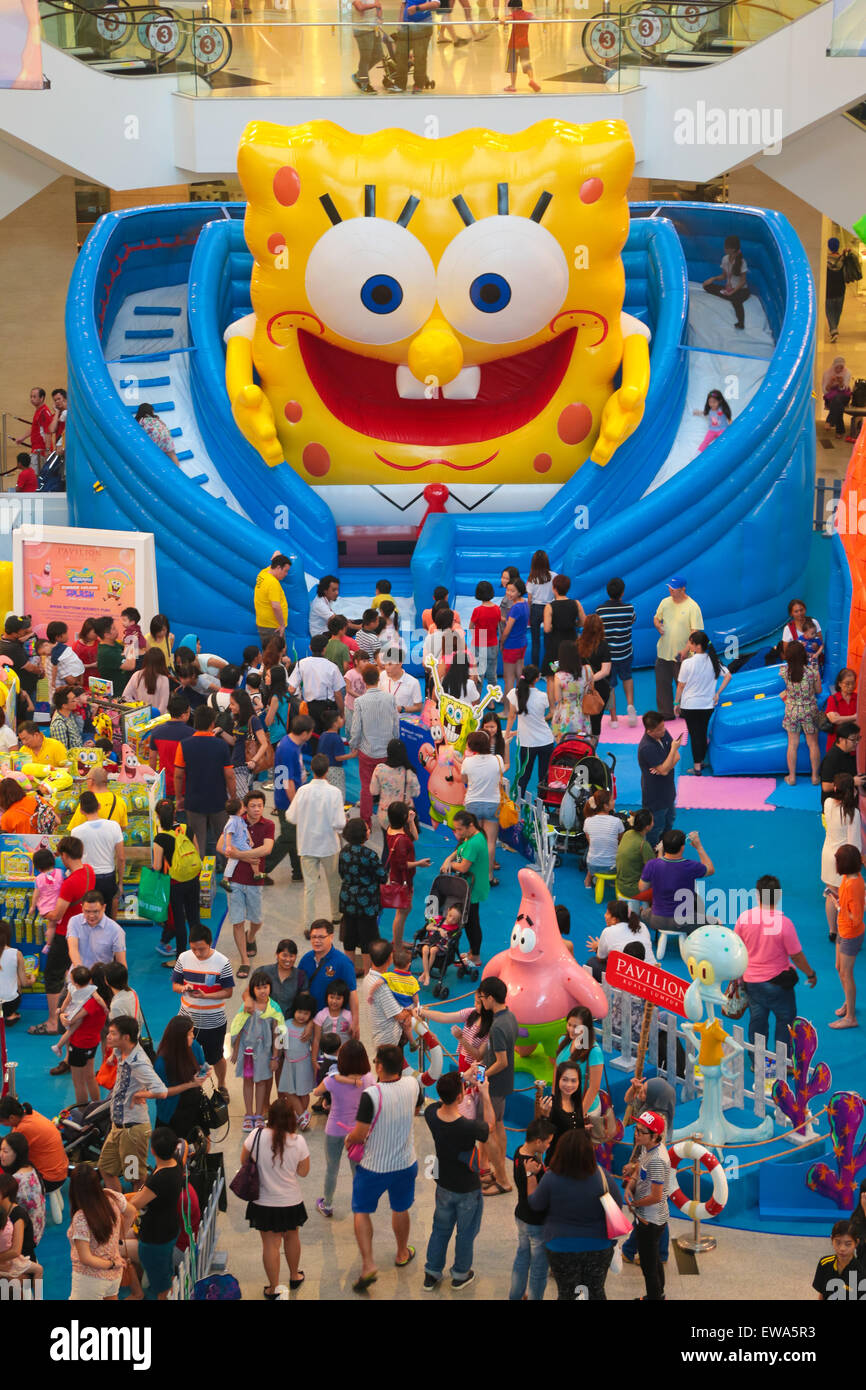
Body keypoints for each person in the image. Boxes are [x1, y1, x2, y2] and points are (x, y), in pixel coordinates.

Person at [345, 1043, 425, 1291]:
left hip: (373, 1166)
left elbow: (359, 1134)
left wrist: (349, 1139)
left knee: (361, 1210)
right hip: (405, 1162)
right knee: (400, 1208)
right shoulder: (413, 1084)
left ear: (379, 1066)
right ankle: (402, 1252)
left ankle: (368, 1265)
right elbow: (416, 1109)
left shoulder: (372, 1094)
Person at [525, 1128, 623, 1300]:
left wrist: (530, 1175)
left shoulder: (551, 1177)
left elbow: (535, 1204)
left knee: (567, 1292)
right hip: (598, 1246)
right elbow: (617, 1206)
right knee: (595, 1291)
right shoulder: (602, 1176)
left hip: (560, 1246)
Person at [422, 1068, 494, 1292]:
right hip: (467, 1188)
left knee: (440, 1229)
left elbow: (440, 1100)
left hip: (443, 1183)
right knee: (466, 1233)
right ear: (461, 1096)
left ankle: (432, 1272)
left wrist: (460, 1078)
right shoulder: (468, 1127)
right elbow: (489, 1125)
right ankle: (461, 1274)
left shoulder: (432, 1114)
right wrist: (486, 1093)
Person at [734, 875, 817, 1051]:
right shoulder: (784, 923)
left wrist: (738, 978)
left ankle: (757, 1061)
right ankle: (783, 1061)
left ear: (757, 895)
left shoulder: (744, 918)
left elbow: (737, 949)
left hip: (752, 983)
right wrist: (810, 973)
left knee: (757, 1022)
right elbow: (796, 956)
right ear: (778, 896)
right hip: (780, 985)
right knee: (785, 1022)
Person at [240, 1098, 310, 1297]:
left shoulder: (256, 1135)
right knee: (292, 1237)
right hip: (291, 1200)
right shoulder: (298, 1142)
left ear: (270, 1117)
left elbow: (244, 1160)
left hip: (263, 1201)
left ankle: (273, 1287)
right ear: (291, 1119)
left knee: (270, 1245)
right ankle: (295, 1275)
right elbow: (304, 1172)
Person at [31, 836, 96, 1042]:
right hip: (83, 931)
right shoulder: (89, 871)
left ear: (66, 855)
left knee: (52, 975)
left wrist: (43, 912)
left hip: (64, 934)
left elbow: (57, 914)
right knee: (74, 973)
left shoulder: (69, 883)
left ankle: (52, 1022)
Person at [98, 1016, 168, 1193]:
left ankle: (135, 1215)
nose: (108, 1036)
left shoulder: (138, 1063)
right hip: (118, 1128)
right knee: (106, 1168)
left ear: (126, 1037)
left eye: (113, 1034)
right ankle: (120, 1207)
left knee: (135, 1177)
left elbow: (161, 1090)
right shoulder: (122, 1050)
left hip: (132, 1131)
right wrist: (112, 1058)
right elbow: (115, 1051)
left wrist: (141, 1093)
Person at [313, 1039, 375, 1217]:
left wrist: (328, 1097)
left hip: (334, 1129)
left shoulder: (332, 1080)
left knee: (332, 1168)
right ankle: (360, 1205)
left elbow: (316, 1091)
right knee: (357, 1170)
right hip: (357, 1131)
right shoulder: (368, 1079)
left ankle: (327, 1203)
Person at [287, 752, 346, 938]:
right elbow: (339, 823)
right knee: (334, 883)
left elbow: (291, 816)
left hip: (307, 845)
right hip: (329, 845)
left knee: (310, 887)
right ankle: (336, 915)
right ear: (327, 771)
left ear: (311, 769)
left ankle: (308, 925)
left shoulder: (302, 791)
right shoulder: (334, 793)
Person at [218, 788, 275, 977]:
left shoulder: (268, 825)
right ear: (245, 808)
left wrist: (238, 855)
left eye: (260, 805)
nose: (257, 809)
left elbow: (266, 849)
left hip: (254, 882)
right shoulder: (235, 821)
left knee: (257, 920)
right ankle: (244, 960)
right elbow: (220, 846)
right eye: (253, 806)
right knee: (237, 921)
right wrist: (248, 858)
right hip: (234, 880)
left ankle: (251, 937)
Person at [171, 928, 235, 1097]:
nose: (197, 953)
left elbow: (228, 992)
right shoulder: (183, 958)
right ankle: (191, 1089)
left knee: (216, 1057)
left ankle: (222, 1085)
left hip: (213, 1022)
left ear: (210, 943)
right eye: (194, 949)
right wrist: (184, 988)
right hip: (187, 1021)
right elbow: (175, 985)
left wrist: (207, 996)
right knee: (187, 1057)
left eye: (201, 949)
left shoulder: (222, 962)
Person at [124, 1127, 184, 1300]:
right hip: (169, 1228)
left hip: (155, 1238)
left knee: (162, 1287)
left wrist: (122, 1200)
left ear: (153, 1150)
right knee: (165, 1273)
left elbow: (135, 1205)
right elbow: (145, 1191)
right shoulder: (175, 1164)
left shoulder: (160, 1179)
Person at [173, 704, 235, 859]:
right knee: (224, 838)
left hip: (194, 800)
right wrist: (233, 798)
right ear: (212, 724)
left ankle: (199, 876)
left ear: (195, 723)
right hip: (219, 800)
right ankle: (226, 873)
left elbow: (178, 775)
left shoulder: (184, 745)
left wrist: (179, 797)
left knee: (197, 841)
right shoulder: (221, 745)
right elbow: (229, 775)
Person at [624, 1110, 673, 1301]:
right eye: (636, 1129)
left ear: (654, 1136)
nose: (636, 1134)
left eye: (641, 1132)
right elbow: (640, 1167)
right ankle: (659, 1293)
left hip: (651, 1220)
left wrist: (635, 1204)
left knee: (648, 1264)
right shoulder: (647, 1148)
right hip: (646, 1215)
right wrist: (630, 1184)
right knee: (652, 1258)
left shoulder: (658, 1160)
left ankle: (654, 1296)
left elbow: (656, 1196)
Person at [67, 1164, 134, 1300]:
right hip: (114, 1274)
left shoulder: (81, 1217)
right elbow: (132, 1212)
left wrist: (111, 1265)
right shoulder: (112, 1197)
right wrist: (119, 1236)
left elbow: (86, 1258)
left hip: (89, 1278)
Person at [230, 969, 286, 1130]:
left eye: (265, 987)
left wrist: (276, 1057)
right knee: (248, 1081)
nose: (262, 990)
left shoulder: (274, 1008)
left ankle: (259, 1114)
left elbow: (279, 1033)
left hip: (264, 1053)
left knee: (261, 1082)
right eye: (259, 987)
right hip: (247, 1051)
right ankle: (248, 1115)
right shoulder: (246, 1006)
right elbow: (238, 1027)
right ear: (252, 989)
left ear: (270, 988)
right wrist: (234, 1050)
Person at [476, 975, 517, 1196]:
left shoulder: (498, 1026)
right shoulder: (510, 1017)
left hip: (494, 1086)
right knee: (499, 1126)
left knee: (488, 1132)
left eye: (482, 998)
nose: (481, 1002)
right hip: (504, 1084)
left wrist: (481, 1075)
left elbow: (502, 1062)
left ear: (490, 998)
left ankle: (502, 1179)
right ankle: (499, 1170)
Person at [508, 1116, 555, 1300]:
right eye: (548, 1142)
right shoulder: (532, 1166)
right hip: (536, 1222)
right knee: (538, 1269)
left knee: (521, 1259)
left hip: (521, 1216)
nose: (549, 1146)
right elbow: (534, 1198)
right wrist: (536, 1174)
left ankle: (515, 1295)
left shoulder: (520, 1152)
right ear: (538, 1141)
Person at [152, 799, 203, 962]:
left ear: (158, 816)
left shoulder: (160, 838)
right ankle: (200, 952)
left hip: (175, 883)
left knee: (179, 920)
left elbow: (157, 865)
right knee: (194, 917)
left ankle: (181, 958)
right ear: (175, 812)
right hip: (193, 879)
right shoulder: (187, 829)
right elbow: (197, 852)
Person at [640, 828, 715, 938]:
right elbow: (710, 869)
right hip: (683, 921)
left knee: (642, 912)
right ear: (682, 847)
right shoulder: (690, 866)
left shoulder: (652, 865)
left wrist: (660, 852)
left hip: (657, 920)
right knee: (717, 922)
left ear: (664, 846)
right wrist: (699, 847)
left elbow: (642, 888)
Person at [674, 629, 731, 775]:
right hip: (707, 705)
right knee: (702, 732)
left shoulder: (687, 663)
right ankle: (701, 761)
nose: (689, 645)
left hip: (690, 705)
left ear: (697, 646)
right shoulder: (713, 661)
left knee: (695, 735)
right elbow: (728, 676)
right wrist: (717, 693)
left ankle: (697, 766)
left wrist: (676, 703)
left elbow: (681, 685)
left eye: (690, 643)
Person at [350, 664, 400, 825]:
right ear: (379, 679)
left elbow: (356, 728)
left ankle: (366, 821)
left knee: (366, 787)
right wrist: (395, 744)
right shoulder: (390, 698)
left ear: (363, 681)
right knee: (388, 786)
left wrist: (354, 744)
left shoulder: (360, 701)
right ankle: (390, 820)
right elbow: (395, 725)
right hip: (386, 752)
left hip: (367, 751)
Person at [266, 714, 314, 883]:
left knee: (294, 835)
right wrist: (296, 805)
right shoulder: (288, 749)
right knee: (288, 836)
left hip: (289, 798)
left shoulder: (291, 743)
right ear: (304, 733)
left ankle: (299, 872)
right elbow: (288, 782)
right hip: (288, 801)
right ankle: (261, 870)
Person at [339, 817, 387, 977]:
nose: (369, 830)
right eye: (366, 829)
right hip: (366, 902)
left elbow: (341, 873)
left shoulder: (344, 851)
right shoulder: (370, 854)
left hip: (347, 899)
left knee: (349, 936)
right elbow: (382, 876)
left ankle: (349, 970)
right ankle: (368, 972)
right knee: (368, 939)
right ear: (361, 834)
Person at [440, 810, 489, 964]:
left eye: (459, 829)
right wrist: (449, 858)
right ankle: (471, 952)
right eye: (455, 829)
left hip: (472, 889)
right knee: (469, 920)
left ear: (470, 825)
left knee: (472, 922)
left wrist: (450, 865)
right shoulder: (472, 836)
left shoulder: (475, 843)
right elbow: (459, 850)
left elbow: (463, 867)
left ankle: (475, 956)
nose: (457, 832)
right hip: (469, 886)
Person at [653, 576, 704, 720]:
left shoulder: (693, 607)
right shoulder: (665, 602)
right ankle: (666, 713)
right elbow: (656, 618)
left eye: (674, 589)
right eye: (669, 587)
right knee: (662, 685)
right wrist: (658, 625)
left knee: (685, 685)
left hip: (683, 656)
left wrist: (685, 650)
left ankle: (686, 711)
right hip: (664, 652)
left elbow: (695, 633)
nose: (670, 590)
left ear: (683, 589)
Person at [154, 1014, 211, 1141]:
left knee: (204, 1143)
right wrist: (191, 1084)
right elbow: (162, 1093)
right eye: (190, 1033)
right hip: (173, 1111)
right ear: (179, 1037)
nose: (193, 1036)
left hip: (194, 1105)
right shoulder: (162, 1062)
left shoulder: (194, 1046)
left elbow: (203, 1065)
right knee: (176, 1149)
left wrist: (205, 1072)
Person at [298, 920, 360, 1036]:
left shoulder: (343, 962)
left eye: (321, 937)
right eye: (313, 937)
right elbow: (300, 989)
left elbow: (352, 992)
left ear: (331, 937)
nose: (316, 941)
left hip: (335, 1023)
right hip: (310, 1020)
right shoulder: (306, 959)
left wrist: (355, 1022)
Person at [382, 801, 430, 949]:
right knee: (402, 911)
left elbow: (415, 837)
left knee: (404, 909)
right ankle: (397, 945)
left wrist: (410, 821)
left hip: (402, 877)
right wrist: (419, 863)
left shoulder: (392, 829)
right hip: (402, 878)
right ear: (402, 817)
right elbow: (401, 864)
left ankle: (398, 940)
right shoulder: (401, 840)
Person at [461, 729, 504, 888]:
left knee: (471, 840)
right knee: (490, 841)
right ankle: (489, 876)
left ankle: (469, 872)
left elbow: (463, 780)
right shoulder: (497, 759)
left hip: (472, 803)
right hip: (493, 803)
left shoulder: (467, 762)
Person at [822, 774, 862, 942]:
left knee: (832, 895)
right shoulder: (853, 813)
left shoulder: (828, 803)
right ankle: (845, 931)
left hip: (828, 855)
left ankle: (832, 930)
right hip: (845, 859)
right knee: (847, 898)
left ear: (836, 789)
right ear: (852, 792)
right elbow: (854, 844)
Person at [505, 665, 554, 797]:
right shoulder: (543, 696)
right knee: (544, 777)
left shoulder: (514, 694)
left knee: (523, 775)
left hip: (527, 743)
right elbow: (539, 717)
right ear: (537, 679)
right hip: (546, 741)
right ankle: (543, 806)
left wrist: (508, 732)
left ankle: (519, 803)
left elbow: (511, 716)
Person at [73, 790, 125, 914]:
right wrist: (121, 882)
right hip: (108, 876)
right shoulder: (114, 826)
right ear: (99, 806)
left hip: (87, 878)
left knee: (89, 915)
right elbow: (121, 857)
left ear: (81, 810)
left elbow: (76, 859)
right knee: (106, 915)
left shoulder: (76, 831)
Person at [830, 843, 864, 1031]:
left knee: (846, 973)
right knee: (839, 968)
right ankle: (848, 1002)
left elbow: (857, 917)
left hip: (850, 934)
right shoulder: (851, 878)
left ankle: (851, 1017)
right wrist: (837, 899)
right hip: (843, 931)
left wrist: (840, 909)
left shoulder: (852, 884)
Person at [779, 639, 821, 786]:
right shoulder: (811, 672)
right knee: (813, 744)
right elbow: (818, 691)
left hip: (792, 710)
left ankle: (792, 777)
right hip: (809, 710)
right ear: (804, 655)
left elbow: (786, 683)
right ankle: (815, 777)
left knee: (792, 744)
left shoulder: (785, 672)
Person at [637, 711, 682, 846]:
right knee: (655, 828)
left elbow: (677, 759)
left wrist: (665, 766)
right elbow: (664, 770)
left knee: (670, 821)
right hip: (655, 796)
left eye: (663, 726)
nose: (664, 730)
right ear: (650, 731)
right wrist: (673, 750)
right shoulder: (647, 747)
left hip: (668, 791)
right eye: (660, 729)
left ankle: (666, 848)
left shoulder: (663, 733)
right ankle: (653, 854)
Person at [586, 900, 656, 981]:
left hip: (629, 977)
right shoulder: (642, 926)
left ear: (615, 919)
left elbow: (601, 958)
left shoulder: (608, 932)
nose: (605, 916)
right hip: (652, 974)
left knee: (592, 962)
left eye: (607, 913)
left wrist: (597, 948)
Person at [0, 1132, 46, 1250]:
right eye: (0, 1150)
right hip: (37, 1228)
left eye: (5, 1152)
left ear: (17, 1154)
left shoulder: (16, 1179)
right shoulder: (30, 1167)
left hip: (26, 1236)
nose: (1, 1155)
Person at [370, 738, 420, 835]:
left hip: (385, 815)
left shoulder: (380, 769)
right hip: (404, 815)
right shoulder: (408, 771)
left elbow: (374, 791)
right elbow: (416, 793)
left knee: (387, 843)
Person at [703, 232, 750, 330]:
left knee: (737, 301)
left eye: (726, 247)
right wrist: (713, 279)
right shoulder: (725, 259)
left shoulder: (741, 262)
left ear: (732, 249)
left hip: (741, 290)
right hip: (728, 288)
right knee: (707, 286)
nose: (724, 249)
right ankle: (729, 296)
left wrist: (733, 291)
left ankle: (741, 323)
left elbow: (743, 281)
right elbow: (723, 276)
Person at [583, 788, 625, 891]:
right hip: (612, 867)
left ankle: (588, 879)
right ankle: (616, 882)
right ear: (606, 806)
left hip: (592, 865)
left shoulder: (587, 821)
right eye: (611, 800)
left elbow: (590, 842)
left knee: (594, 848)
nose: (614, 801)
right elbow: (621, 842)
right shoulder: (617, 821)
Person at [393, 0, 439, 91]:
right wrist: (400, 23)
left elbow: (435, 4)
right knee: (400, 54)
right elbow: (403, 5)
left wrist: (417, 8)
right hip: (406, 26)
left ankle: (418, 84)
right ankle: (399, 84)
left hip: (423, 25)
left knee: (419, 57)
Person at [615, 808, 654, 911]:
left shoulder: (628, 834)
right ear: (647, 827)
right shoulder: (643, 845)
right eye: (652, 821)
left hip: (620, 882)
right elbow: (655, 870)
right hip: (632, 889)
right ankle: (649, 912)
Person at [813, 1220, 865, 1299]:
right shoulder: (824, 1264)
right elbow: (822, 1294)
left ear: (856, 1243)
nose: (842, 1249)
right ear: (831, 1239)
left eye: (848, 1244)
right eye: (838, 1242)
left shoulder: (861, 1271)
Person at [261, 938, 308, 1022]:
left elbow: (305, 1004)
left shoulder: (301, 976)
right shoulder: (264, 972)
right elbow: (248, 993)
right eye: (284, 955)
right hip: (263, 1021)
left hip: (287, 1024)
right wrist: (249, 1000)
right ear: (277, 954)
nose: (288, 959)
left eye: (291, 956)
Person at [820, 722, 865, 806]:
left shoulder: (847, 753)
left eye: (858, 739)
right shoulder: (832, 757)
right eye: (853, 739)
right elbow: (826, 786)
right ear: (841, 739)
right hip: (835, 809)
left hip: (845, 805)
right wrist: (851, 782)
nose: (856, 742)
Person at [254, 553, 292, 649]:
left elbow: (276, 554)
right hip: (273, 627)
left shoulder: (263, 573)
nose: (286, 574)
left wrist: (276, 557)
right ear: (278, 567)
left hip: (264, 624)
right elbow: (275, 606)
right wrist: (282, 625)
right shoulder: (273, 583)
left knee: (269, 654)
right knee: (277, 656)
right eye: (285, 571)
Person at [500, 577, 530, 695]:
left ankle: (507, 708)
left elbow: (507, 631)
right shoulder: (525, 603)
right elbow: (515, 622)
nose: (509, 593)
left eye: (512, 591)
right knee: (519, 674)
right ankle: (519, 701)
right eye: (507, 590)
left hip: (511, 645)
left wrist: (502, 642)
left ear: (519, 592)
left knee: (509, 678)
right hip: (522, 643)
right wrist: (502, 618)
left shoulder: (515, 608)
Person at [470, 580, 501, 691]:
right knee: (492, 673)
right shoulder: (497, 609)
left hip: (480, 642)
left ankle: (477, 699)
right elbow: (497, 625)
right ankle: (491, 701)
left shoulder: (477, 611)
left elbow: (471, 626)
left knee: (479, 673)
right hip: (493, 642)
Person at [93, 616, 136, 695]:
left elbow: (126, 652)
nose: (117, 630)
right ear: (106, 635)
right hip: (117, 696)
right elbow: (130, 665)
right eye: (114, 629)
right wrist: (131, 643)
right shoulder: (106, 652)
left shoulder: (113, 643)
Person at [15, 386, 54, 471]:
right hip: (36, 450)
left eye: (34, 397)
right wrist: (22, 438)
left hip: (41, 452)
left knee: (38, 477)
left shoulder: (44, 412)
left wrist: (47, 450)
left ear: (42, 398)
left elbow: (48, 433)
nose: (32, 399)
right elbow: (34, 428)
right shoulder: (39, 411)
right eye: (31, 396)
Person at [122, 647, 170, 714]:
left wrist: (138, 707)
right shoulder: (163, 679)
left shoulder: (137, 675)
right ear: (162, 662)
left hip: (140, 717)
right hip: (158, 720)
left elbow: (125, 697)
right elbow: (163, 706)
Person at [0, 920, 28, 1024]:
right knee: (17, 980)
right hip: (10, 1003)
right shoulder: (16, 953)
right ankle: (10, 1015)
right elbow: (24, 983)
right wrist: (32, 980)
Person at [824, 668, 857, 748]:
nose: (851, 686)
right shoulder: (833, 699)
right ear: (840, 684)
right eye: (847, 683)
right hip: (836, 744)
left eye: (853, 683)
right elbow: (834, 720)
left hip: (853, 745)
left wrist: (841, 719)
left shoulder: (858, 698)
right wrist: (854, 717)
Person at [822, 355, 853, 437]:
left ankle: (829, 421)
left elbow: (845, 389)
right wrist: (830, 383)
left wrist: (841, 383)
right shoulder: (827, 373)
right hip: (831, 397)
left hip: (844, 396)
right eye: (837, 367)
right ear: (833, 366)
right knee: (838, 404)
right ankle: (840, 431)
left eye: (841, 367)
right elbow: (825, 391)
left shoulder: (847, 373)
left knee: (837, 399)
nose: (839, 370)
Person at [825, 238, 847, 344]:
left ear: (829, 246)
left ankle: (833, 330)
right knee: (837, 312)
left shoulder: (825, 259)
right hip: (840, 290)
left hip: (829, 290)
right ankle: (834, 330)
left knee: (829, 312)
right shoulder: (843, 259)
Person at [49, 685, 85, 749]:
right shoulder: (59, 725)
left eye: (75, 698)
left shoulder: (69, 714)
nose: (76, 701)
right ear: (64, 705)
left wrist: (84, 747)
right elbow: (63, 753)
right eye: (73, 700)